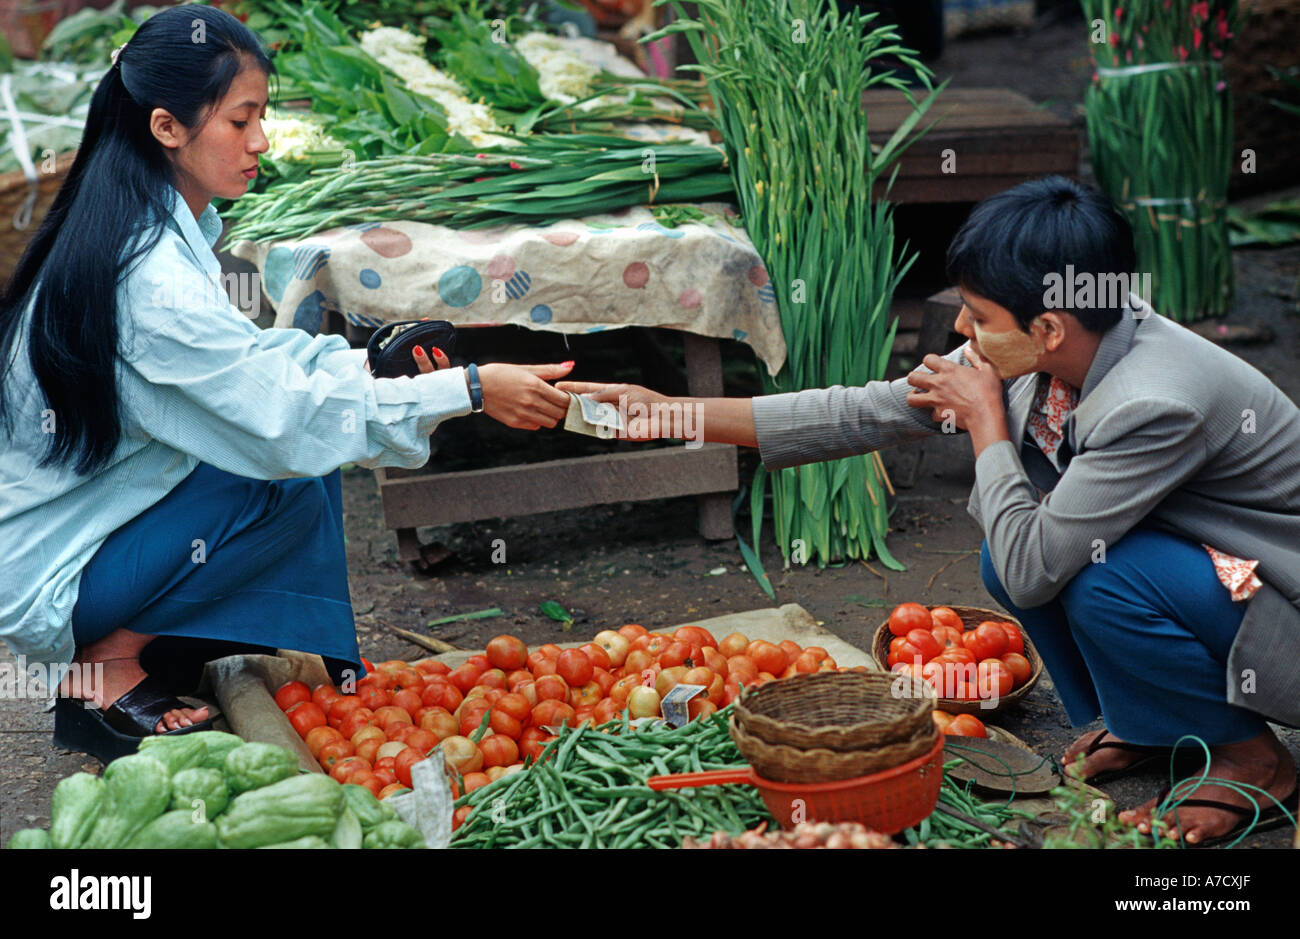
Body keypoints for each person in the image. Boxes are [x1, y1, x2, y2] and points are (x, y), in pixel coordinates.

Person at [559, 176, 1300, 846]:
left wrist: (985, 426)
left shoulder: (1155, 398)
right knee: (1020, 557)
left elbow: (1033, 567)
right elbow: (870, 410)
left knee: (1076, 571)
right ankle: (1153, 726)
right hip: (1216, 580)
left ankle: (1252, 759)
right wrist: (672, 413)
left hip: (1281, 615)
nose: (962, 334)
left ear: (1048, 328)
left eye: (978, 317)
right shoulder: (1070, 335)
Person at [0, 5, 572, 761]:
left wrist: (371, 365)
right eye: (241, 121)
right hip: (55, 575)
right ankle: (103, 665)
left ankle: (152, 648)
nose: (261, 141)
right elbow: (283, 417)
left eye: (261, 116)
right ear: (167, 127)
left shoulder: (138, 222)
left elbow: (249, 371)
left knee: (292, 447)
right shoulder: (148, 276)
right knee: (284, 471)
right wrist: (467, 389)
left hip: (84, 532)